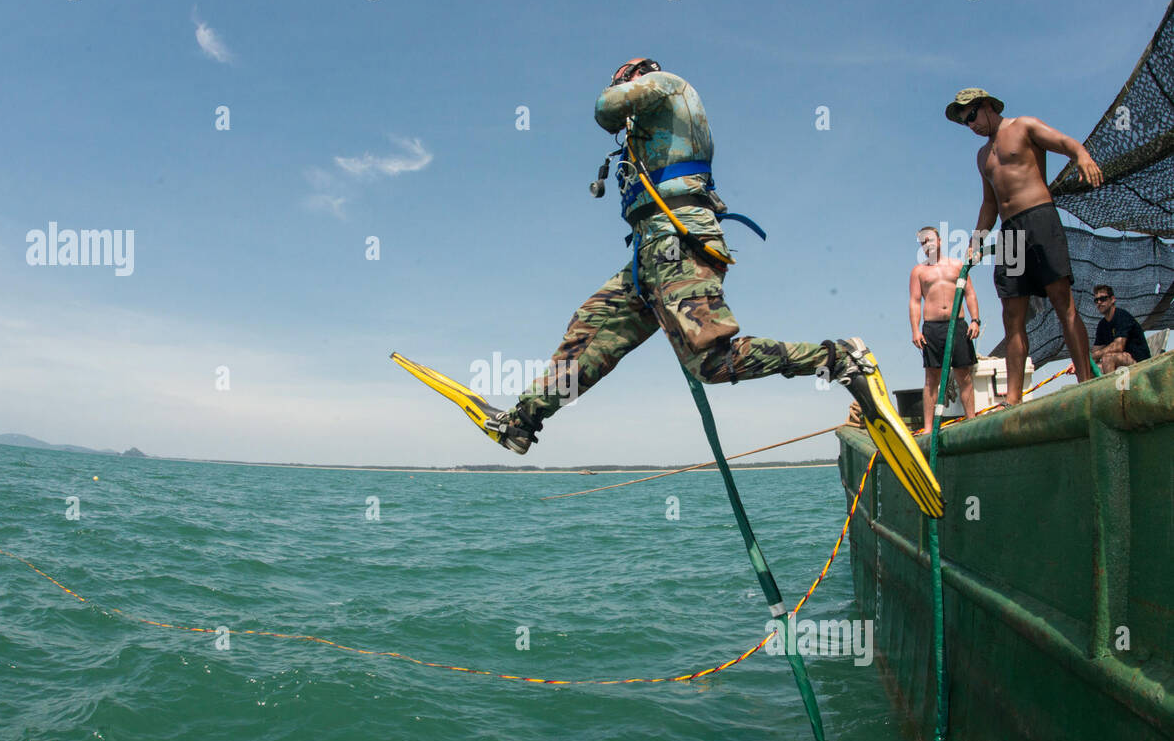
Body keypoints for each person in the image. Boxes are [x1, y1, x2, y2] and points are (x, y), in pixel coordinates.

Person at [468, 58, 941, 515]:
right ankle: (525, 419)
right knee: (588, 333)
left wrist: (622, 94)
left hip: (680, 240)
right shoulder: (648, 124)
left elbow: (604, 108)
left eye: (622, 79)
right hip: (647, 254)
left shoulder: (667, 85)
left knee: (711, 363)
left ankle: (839, 356)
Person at [948, 87, 1102, 405]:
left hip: (1040, 219)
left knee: (1063, 302)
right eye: (965, 122)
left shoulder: (1024, 126)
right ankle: (1014, 398)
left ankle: (1088, 382)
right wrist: (976, 242)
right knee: (1011, 314)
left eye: (973, 116)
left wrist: (1081, 155)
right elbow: (989, 205)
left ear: (988, 106)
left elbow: (1065, 143)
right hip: (1010, 234)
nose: (971, 125)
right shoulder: (982, 157)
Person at [910, 226, 979, 432]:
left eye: (930, 240)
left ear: (939, 241)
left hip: (957, 325)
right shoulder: (919, 271)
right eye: (923, 243)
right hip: (932, 328)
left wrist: (975, 320)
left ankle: (971, 421)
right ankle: (929, 427)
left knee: (963, 375)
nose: (927, 245)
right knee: (931, 378)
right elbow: (914, 302)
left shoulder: (957, 265)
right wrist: (915, 330)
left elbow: (970, 294)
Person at [1091, 284, 1151, 373]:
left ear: (1112, 299)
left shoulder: (1122, 316)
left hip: (1139, 362)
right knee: (1090, 369)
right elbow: (1094, 353)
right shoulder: (1102, 325)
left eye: (1103, 299)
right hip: (1121, 363)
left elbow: (1118, 346)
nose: (1099, 302)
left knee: (1108, 358)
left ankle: (1112, 387)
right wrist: (1083, 364)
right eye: (1096, 300)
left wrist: (1095, 355)